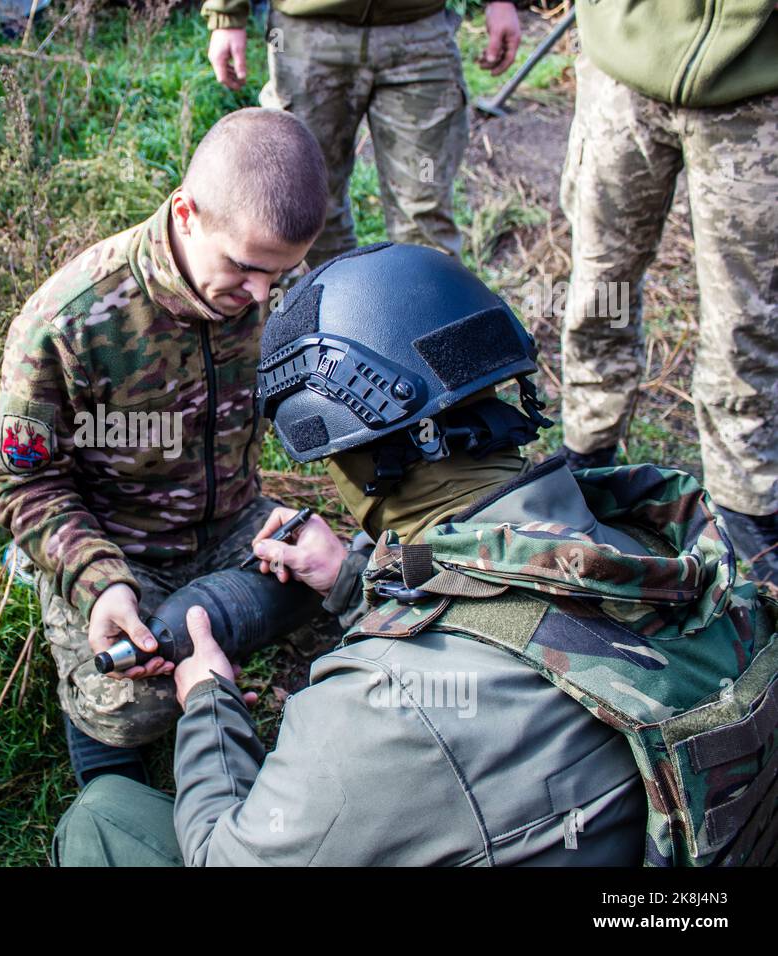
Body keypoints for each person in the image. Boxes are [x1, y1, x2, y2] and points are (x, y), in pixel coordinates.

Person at [53, 242, 778, 866]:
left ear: (347, 452)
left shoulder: (382, 708)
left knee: (105, 817)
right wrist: (353, 579)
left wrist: (207, 701)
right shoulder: (670, 540)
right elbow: (525, 607)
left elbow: (229, 855)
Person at [0, 108, 333, 786]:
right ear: (187, 212)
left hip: (235, 520)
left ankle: (207, 633)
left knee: (347, 591)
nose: (262, 295)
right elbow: (19, 483)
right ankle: (104, 731)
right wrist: (96, 579)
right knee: (130, 705)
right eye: (245, 268)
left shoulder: (265, 288)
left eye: (281, 273)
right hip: (119, 544)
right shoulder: (69, 321)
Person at [557, 1, 778, 581]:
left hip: (761, 85)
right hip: (622, 64)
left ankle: (743, 500)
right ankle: (587, 450)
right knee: (599, 289)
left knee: (749, 315)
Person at [203, 0, 526, 264]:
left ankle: (421, 337)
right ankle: (324, 331)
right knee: (306, 208)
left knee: (425, 215)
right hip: (307, 33)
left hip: (420, 31)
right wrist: (227, 12)